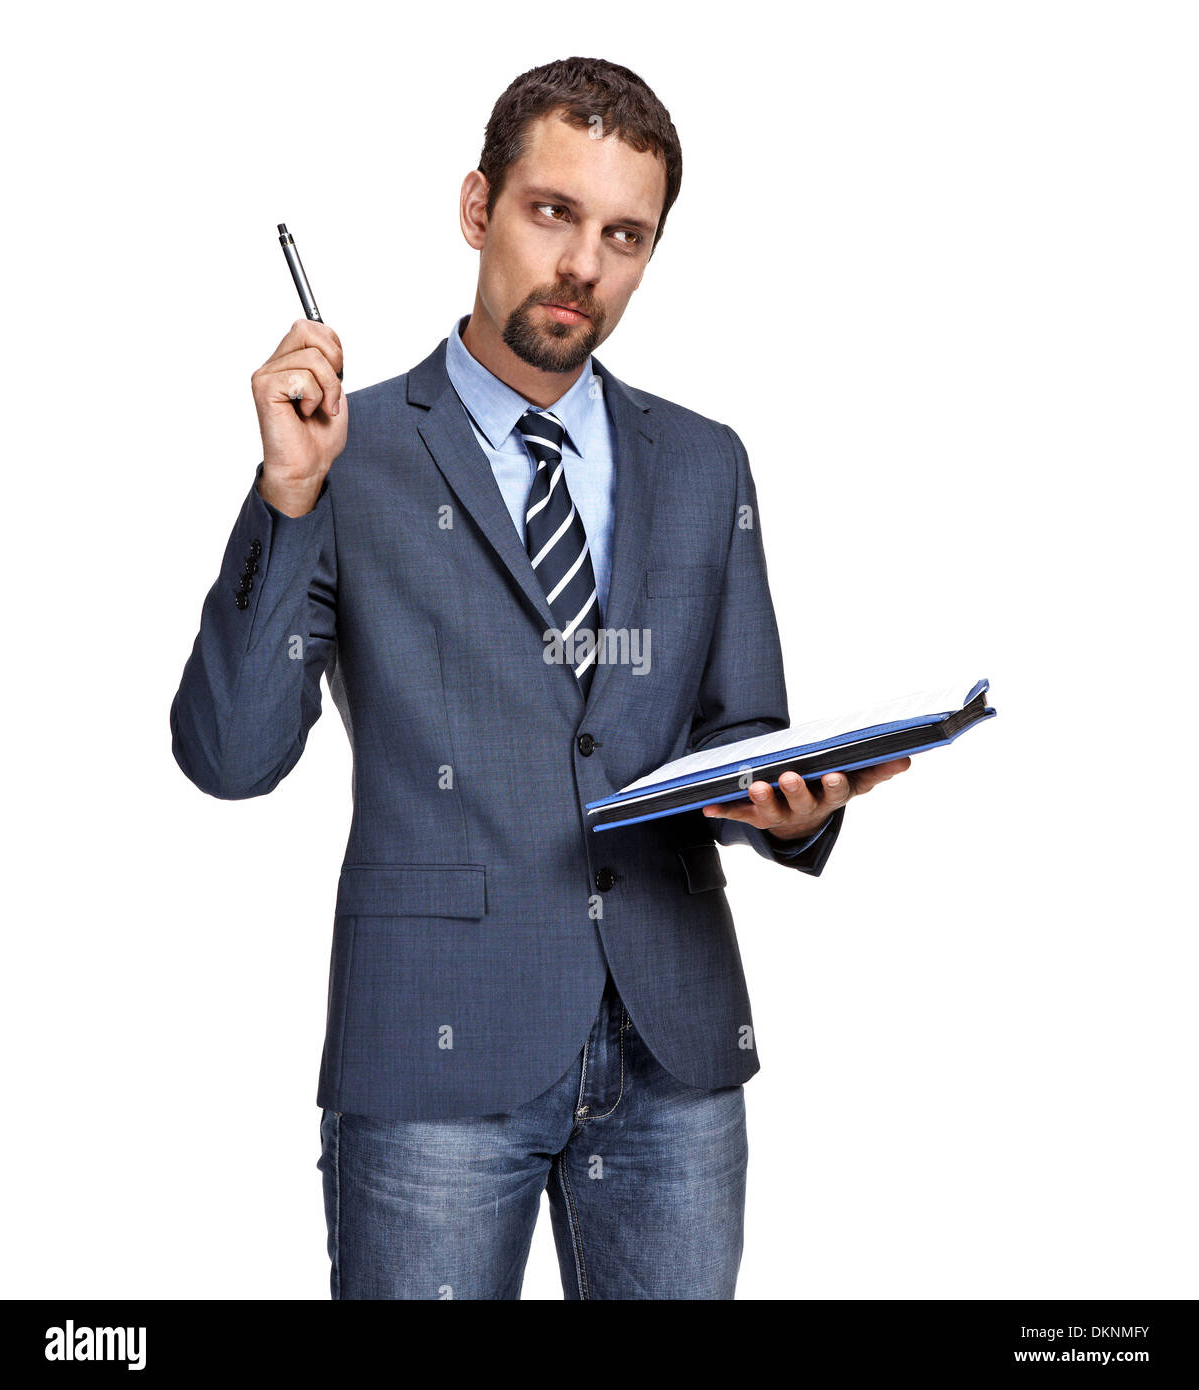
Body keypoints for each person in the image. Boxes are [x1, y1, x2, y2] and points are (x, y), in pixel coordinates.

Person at [170, 55, 909, 1301]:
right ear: (478, 208)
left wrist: (794, 810)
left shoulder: (705, 464)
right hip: (431, 1062)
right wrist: (287, 494)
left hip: (675, 1054)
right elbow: (232, 758)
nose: (584, 265)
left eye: (625, 235)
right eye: (552, 213)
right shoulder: (351, 453)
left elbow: (740, 731)